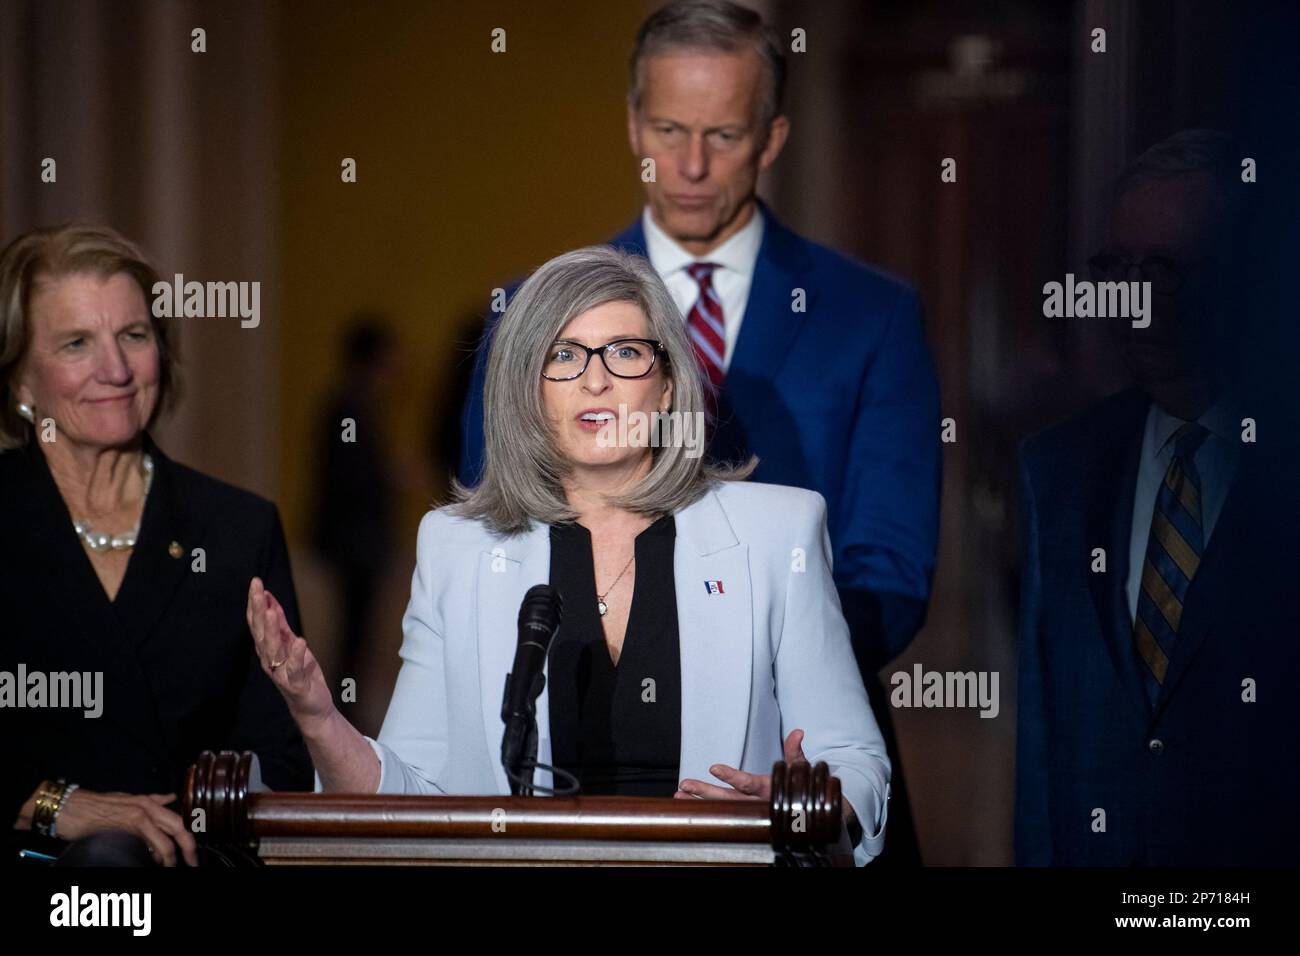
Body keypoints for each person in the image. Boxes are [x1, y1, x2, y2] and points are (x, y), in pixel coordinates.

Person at [457, 0, 939, 864]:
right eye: (668, 130)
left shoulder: (872, 317)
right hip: (569, 759)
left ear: (773, 137)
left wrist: (763, 679)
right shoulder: (529, 316)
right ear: (632, 122)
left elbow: (890, 571)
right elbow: (497, 535)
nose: (688, 165)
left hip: (799, 770)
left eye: (722, 135)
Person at [250, 246, 892, 864]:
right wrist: (319, 716)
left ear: (668, 387)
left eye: (626, 352)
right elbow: (410, 804)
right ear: (529, 391)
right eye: (564, 355)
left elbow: (856, 763)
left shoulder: (777, 533)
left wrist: (802, 807)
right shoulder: (457, 549)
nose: (595, 379)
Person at [1015, 130, 1300, 865]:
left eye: (1166, 270)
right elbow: (1044, 749)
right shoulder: (1058, 469)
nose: (1134, 299)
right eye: (1118, 267)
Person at [0, 224, 312, 867]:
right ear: (21, 381)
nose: (115, 370)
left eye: (134, 336)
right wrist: (53, 804)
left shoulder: (235, 528)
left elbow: (280, 758)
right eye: (77, 343)